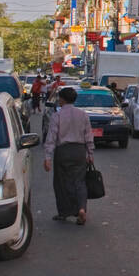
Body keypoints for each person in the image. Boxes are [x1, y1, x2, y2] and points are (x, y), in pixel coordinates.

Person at [44, 87, 95, 225]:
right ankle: (81, 209)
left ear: (62, 99)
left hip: (63, 152)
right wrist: (90, 153)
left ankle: (64, 212)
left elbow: (51, 137)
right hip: (79, 151)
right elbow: (88, 136)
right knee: (79, 182)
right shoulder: (83, 115)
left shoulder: (57, 116)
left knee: (61, 183)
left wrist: (48, 157)